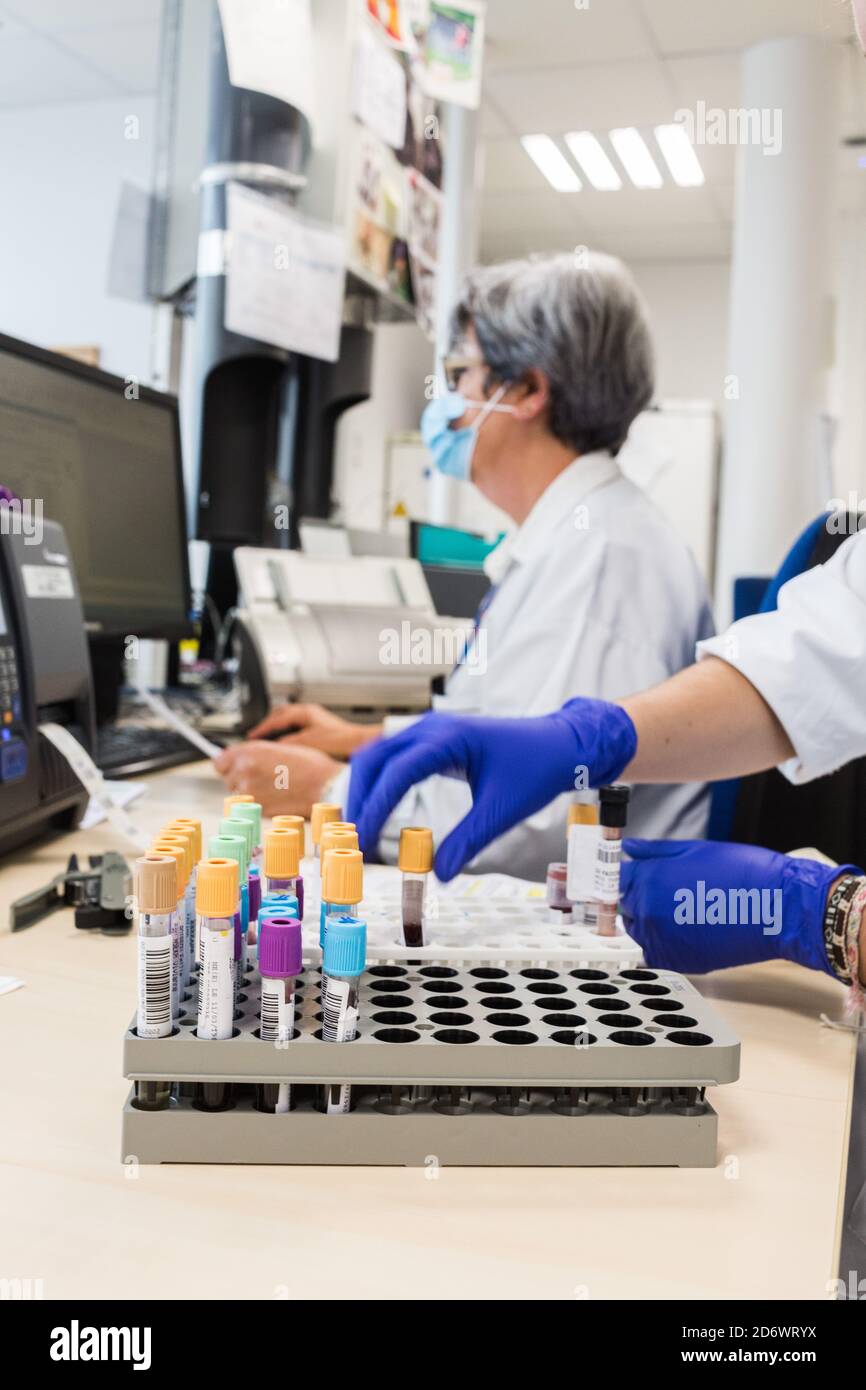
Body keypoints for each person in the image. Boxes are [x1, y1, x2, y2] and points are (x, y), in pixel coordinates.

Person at [216, 250, 714, 877]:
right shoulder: (578, 536)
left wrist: (329, 791)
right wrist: (372, 742)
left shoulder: (601, 560)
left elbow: (540, 819)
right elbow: (507, 726)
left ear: (529, 389)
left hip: (576, 937)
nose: (448, 403)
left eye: (460, 375)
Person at [345, 528, 866, 998]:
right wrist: (587, 739)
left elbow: (538, 834)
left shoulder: (608, 550)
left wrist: (820, 912)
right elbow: (810, 667)